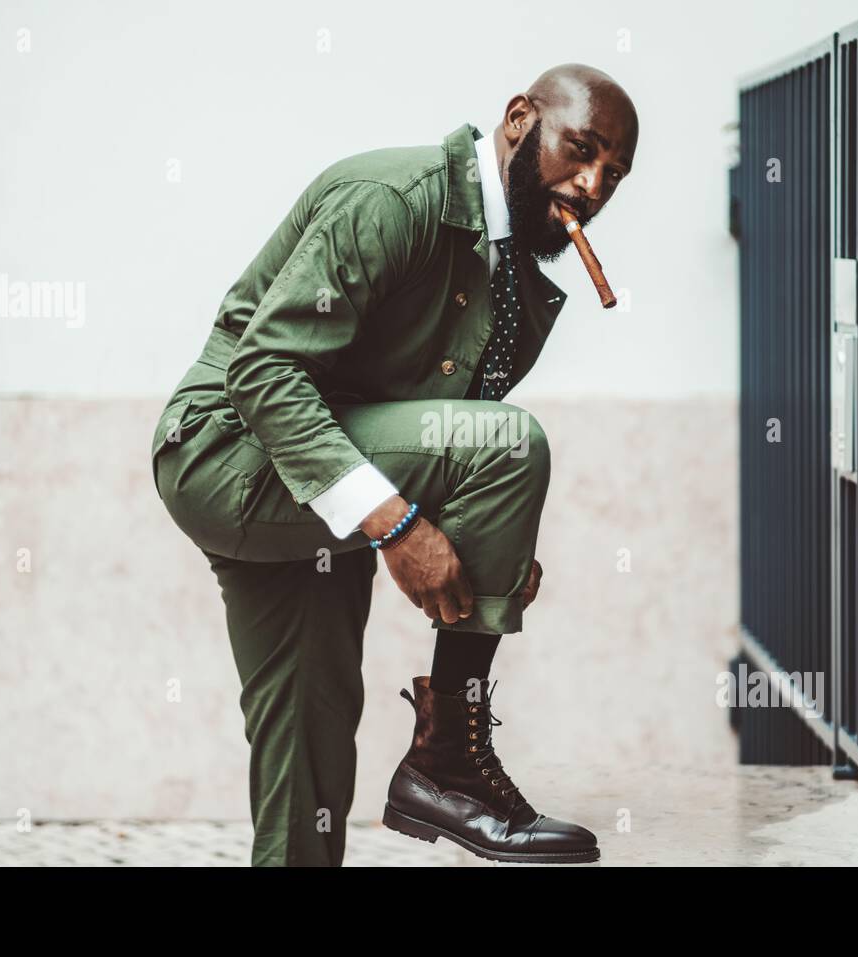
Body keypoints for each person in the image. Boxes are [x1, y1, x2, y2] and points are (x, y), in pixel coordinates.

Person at [149, 63, 638, 866]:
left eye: (612, 175)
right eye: (579, 150)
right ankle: (449, 767)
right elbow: (264, 372)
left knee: (309, 748)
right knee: (511, 443)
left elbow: (440, 443)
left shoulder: (513, 275)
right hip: (229, 447)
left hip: (319, 469)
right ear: (520, 119)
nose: (590, 186)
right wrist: (398, 525)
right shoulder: (394, 199)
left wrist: (493, 544)